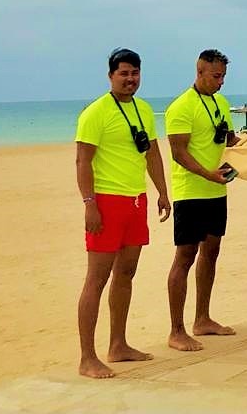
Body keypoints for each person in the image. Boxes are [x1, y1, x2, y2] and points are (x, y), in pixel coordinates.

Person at [75, 47, 171, 379]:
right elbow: (82, 162)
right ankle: (87, 357)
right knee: (96, 279)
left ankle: (118, 344)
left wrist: (162, 191)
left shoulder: (144, 109)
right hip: (106, 202)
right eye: (124, 73)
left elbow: (152, 153)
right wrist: (89, 204)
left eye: (135, 73)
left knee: (126, 274)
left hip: (135, 201)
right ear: (111, 75)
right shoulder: (95, 113)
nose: (130, 79)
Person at [166, 48, 241, 351]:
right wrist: (207, 174)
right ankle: (176, 330)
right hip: (190, 193)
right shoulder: (181, 107)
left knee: (211, 253)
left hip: (216, 191)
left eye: (223, 76)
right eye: (216, 76)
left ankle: (203, 319)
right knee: (185, 257)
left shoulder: (221, 102)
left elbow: (230, 140)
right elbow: (178, 152)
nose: (221, 81)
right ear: (199, 72)